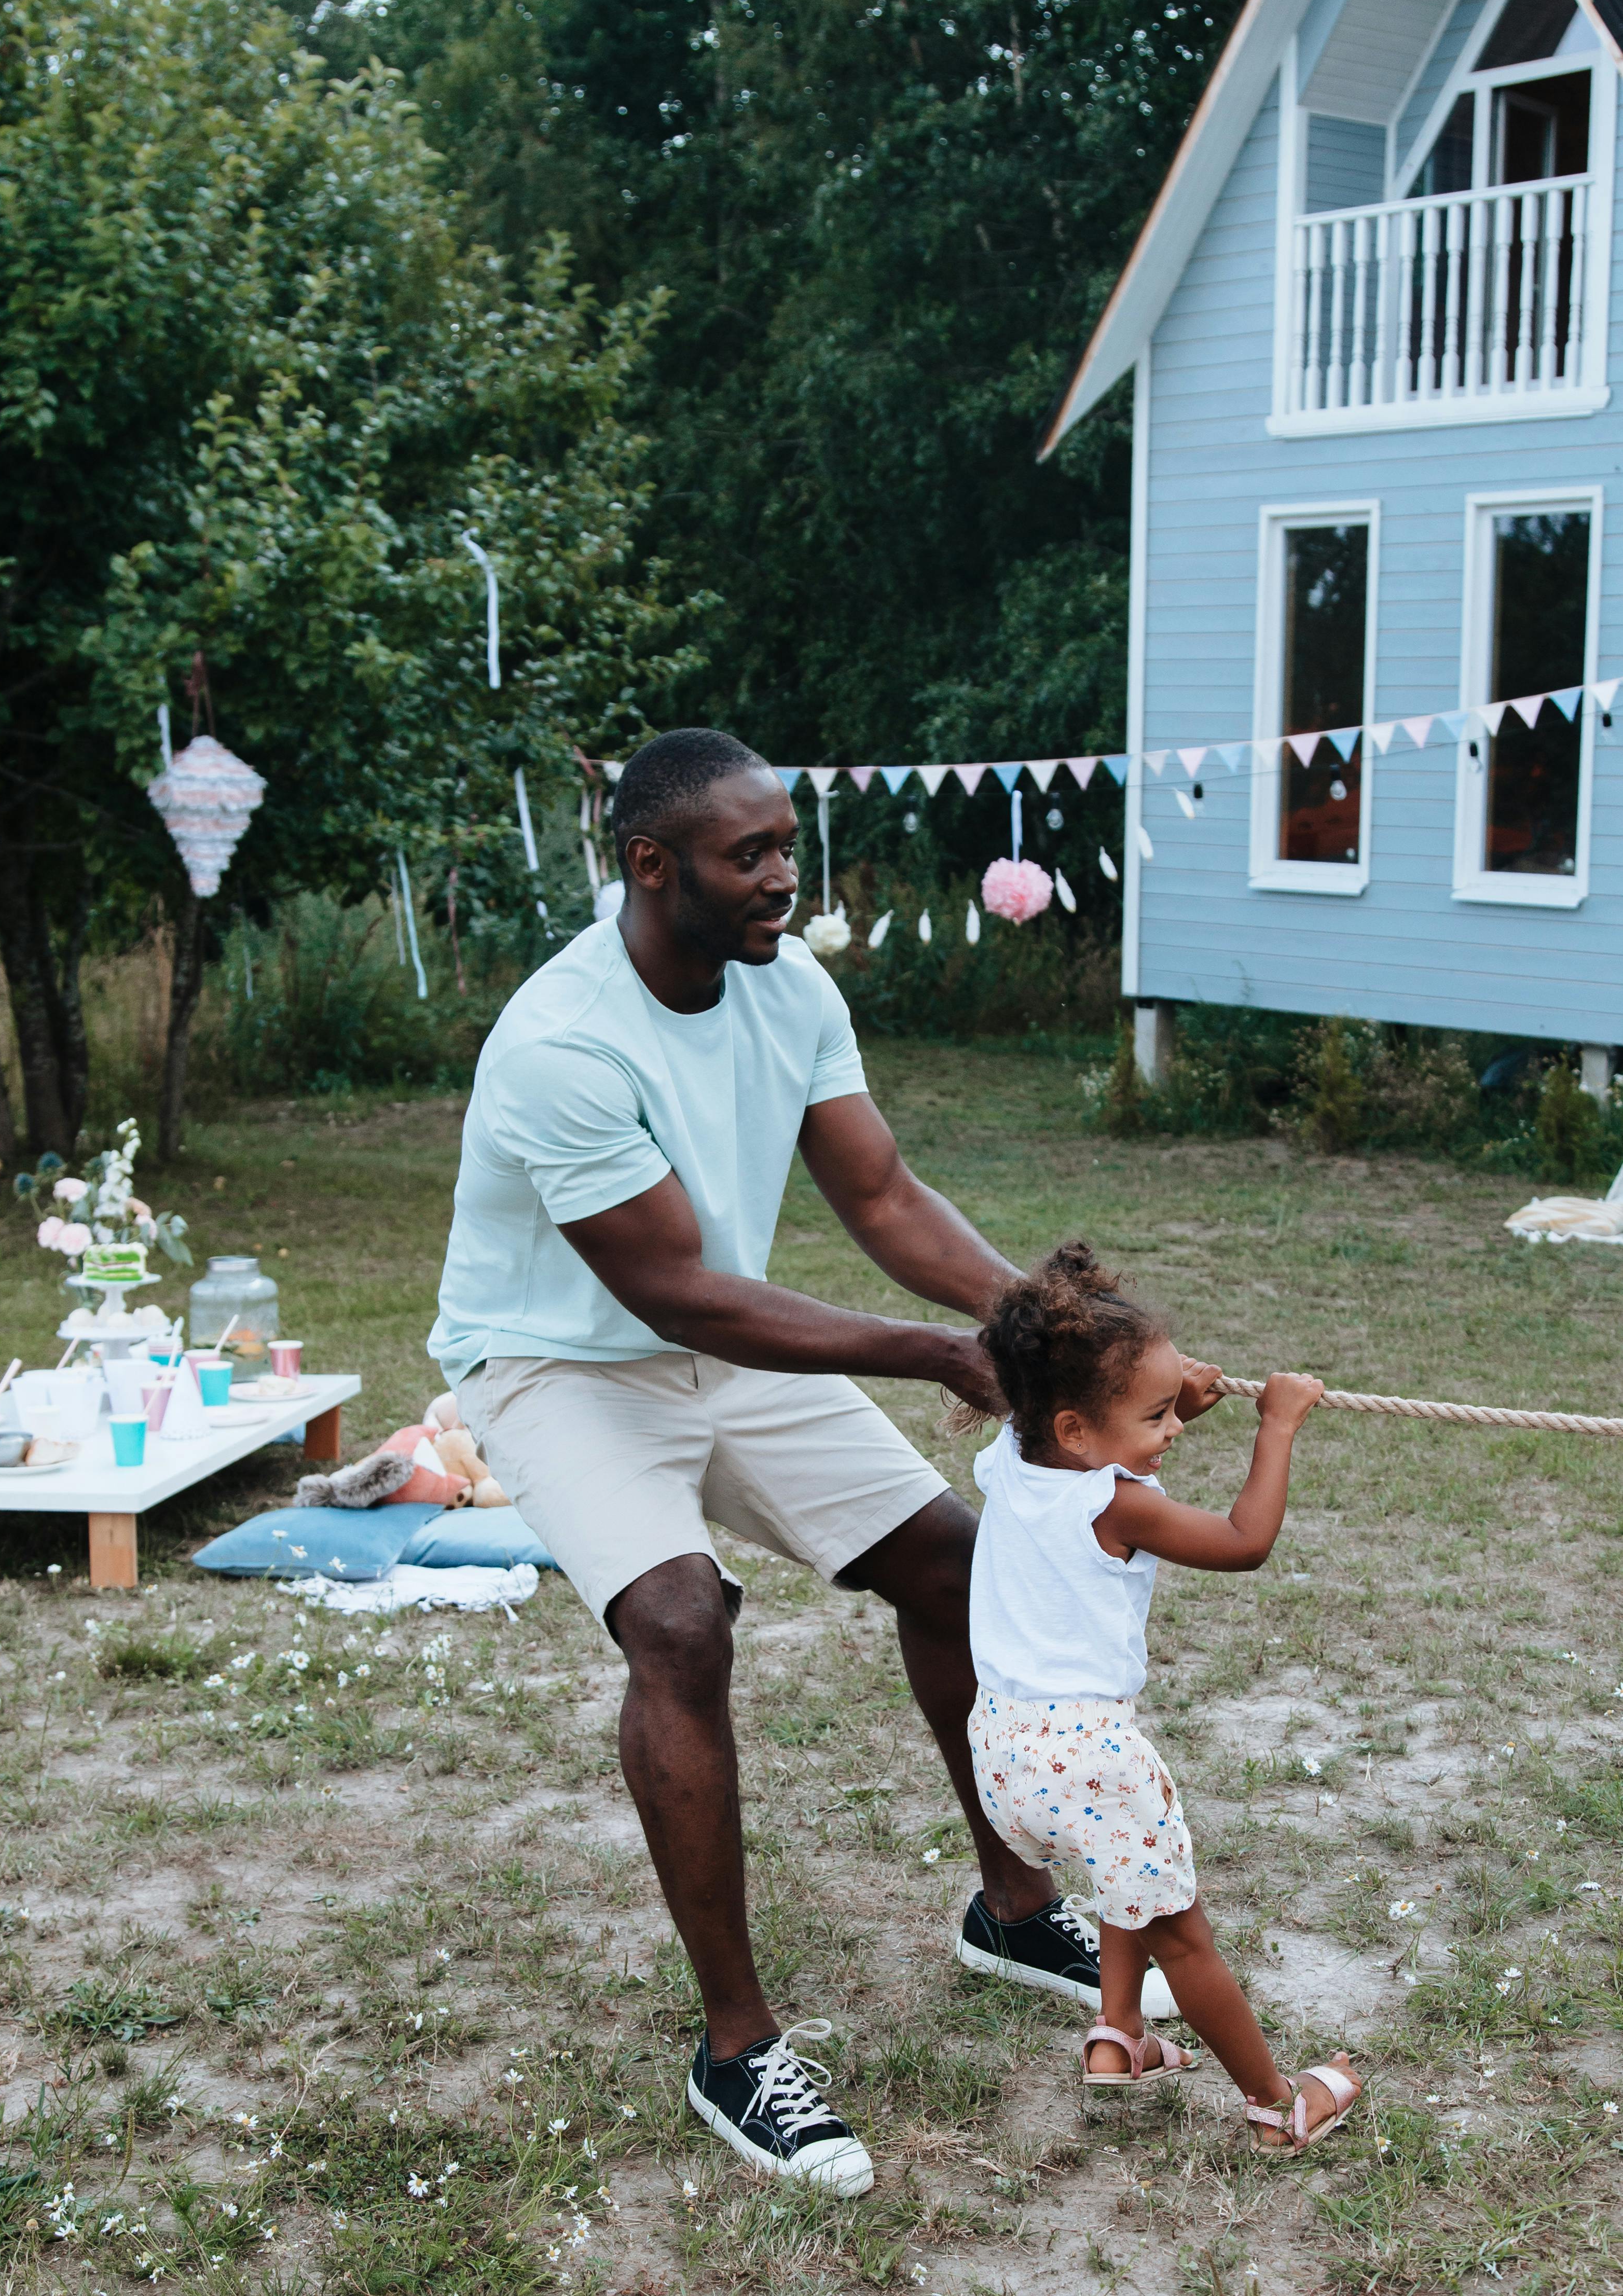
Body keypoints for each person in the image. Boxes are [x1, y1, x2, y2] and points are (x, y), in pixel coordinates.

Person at [430, 728, 1208, 2196]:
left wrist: (1047, 1330)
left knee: (953, 1568)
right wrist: (923, 1355)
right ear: (652, 865)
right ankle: (739, 2051)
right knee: (676, 1623)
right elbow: (678, 1291)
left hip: (720, 1340)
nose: (784, 876)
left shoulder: (785, 988)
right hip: (559, 1362)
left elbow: (879, 1189)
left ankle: (1011, 1904)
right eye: (750, 856)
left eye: (786, 845)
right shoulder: (562, 1043)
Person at [963, 1241, 1363, 2154]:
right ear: (1075, 1429)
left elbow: (1110, 1446)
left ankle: (1120, 2038)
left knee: (1122, 1880)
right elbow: (1240, 1541)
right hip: (1093, 1755)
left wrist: (1171, 1400)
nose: (1172, 1429)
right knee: (1181, 1935)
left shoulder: (1010, 1457)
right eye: (1154, 1415)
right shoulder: (1116, 1501)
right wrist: (1278, 1426)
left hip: (1005, 1751)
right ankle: (1277, 2104)